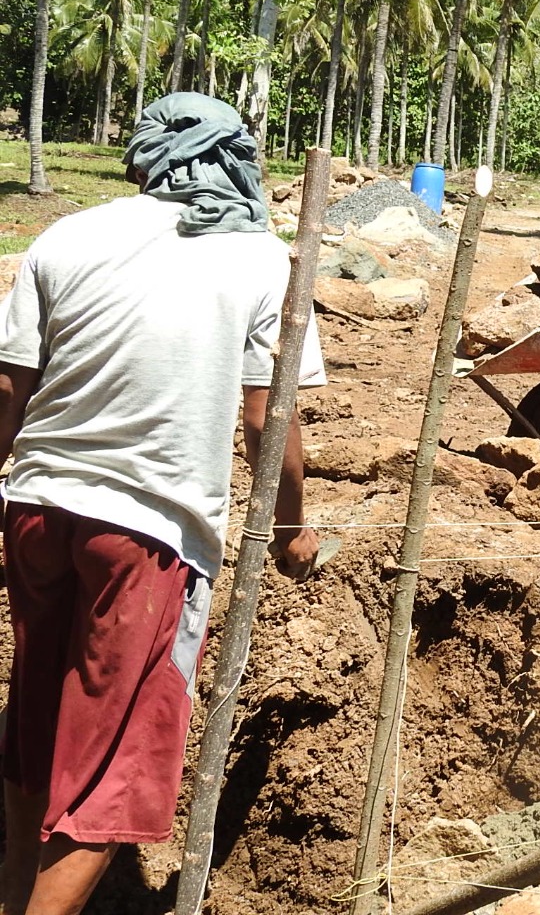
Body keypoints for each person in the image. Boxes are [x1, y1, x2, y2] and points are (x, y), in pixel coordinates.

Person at [0, 93, 326, 915]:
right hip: (148, 532)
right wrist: (292, 528)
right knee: (115, 768)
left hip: (35, 511)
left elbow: (8, 388)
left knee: (38, 723)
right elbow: (267, 419)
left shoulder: (68, 235)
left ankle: (13, 893)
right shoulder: (261, 259)